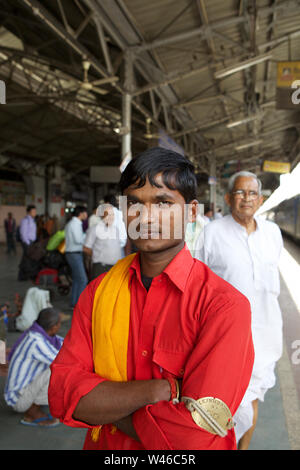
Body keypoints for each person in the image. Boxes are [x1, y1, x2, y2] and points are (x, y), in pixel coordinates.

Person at [48, 147, 254, 450]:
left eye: (163, 202)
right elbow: (62, 393)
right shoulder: (99, 293)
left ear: (192, 212)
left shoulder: (222, 306)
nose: (145, 216)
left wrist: (104, 405)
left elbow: (195, 436)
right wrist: (158, 390)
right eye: (133, 203)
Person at [196, 170, 283, 450]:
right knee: (229, 401)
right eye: (241, 192)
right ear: (228, 198)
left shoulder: (272, 233)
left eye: (252, 193)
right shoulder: (212, 233)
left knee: (253, 396)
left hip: (266, 335)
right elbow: (198, 284)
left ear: (260, 199)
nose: (247, 198)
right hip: (226, 337)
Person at [4, 307, 63, 427]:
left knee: (56, 368)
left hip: (21, 391)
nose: (60, 326)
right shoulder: (36, 342)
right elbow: (62, 361)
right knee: (57, 370)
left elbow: (64, 344)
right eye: (59, 323)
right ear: (54, 327)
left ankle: (34, 404)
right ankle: (32, 412)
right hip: (17, 399)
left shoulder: (39, 334)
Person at [83, 203, 127, 280]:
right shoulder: (94, 229)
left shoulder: (116, 230)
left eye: (112, 214)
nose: (111, 217)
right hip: (101, 268)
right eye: (108, 214)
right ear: (102, 215)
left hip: (115, 267)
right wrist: (98, 256)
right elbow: (86, 248)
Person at [65, 205, 88, 308]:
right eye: (85, 213)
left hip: (72, 254)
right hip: (74, 254)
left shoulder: (73, 223)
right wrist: (87, 235)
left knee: (77, 279)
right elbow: (78, 240)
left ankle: (74, 302)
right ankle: (79, 304)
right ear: (81, 213)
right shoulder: (75, 224)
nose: (86, 215)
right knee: (83, 280)